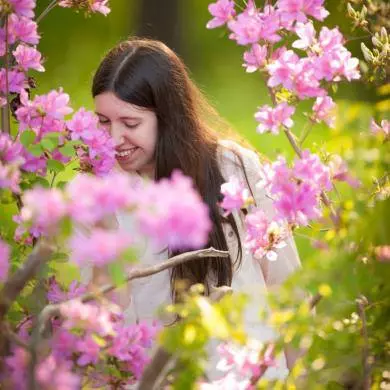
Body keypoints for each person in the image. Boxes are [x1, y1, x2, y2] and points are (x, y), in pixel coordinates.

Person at [90, 37, 302, 381]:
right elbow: (107, 323)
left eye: (130, 124)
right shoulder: (106, 196)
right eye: (102, 122)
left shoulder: (235, 168)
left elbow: (288, 289)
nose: (114, 140)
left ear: (169, 117)